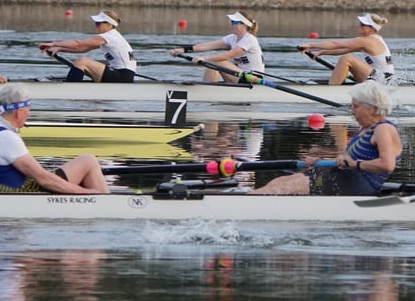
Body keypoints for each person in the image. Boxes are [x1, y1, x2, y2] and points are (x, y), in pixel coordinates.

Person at [253, 81, 401, 196]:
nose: (352, 111)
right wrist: (321, 161)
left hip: (357, 187)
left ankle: (243, 204)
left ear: (374, 108)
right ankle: (248, 199)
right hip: (340, 179)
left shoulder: (383, 129)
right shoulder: (365, 128)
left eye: (356, 106)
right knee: (284, 181)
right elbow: (346, 161)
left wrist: (355, 164)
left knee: (291, 184)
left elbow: (387, 165)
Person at [0, 84, 108, 194]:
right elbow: (44, 180)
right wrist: (87, 193)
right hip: (24, 191)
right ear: (19, 113)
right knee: (89, 161)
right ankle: (104, 201)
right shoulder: (6, 137)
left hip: (4, 186)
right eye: (28, 110)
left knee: (84, 165)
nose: (29, 114)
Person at [38, 11, 137, 82]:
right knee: (84, 64)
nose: (96, 26)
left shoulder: (109, 36)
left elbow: (78, 43)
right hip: (120, 73)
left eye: (98, 23)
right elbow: (82, 48)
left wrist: (53, 43)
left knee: (81, 62)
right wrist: (60, 49)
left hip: (123, 76)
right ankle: (74, 86)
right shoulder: (112, 36)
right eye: (96, 23)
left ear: (109, 24)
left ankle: (70, 90)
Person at [169, 11, 264, 83]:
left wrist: (204, 58)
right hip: (239, 75)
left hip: (253, 78)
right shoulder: (232, 38)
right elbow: (206, 46)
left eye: (234, 22)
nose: (231, 24)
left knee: (217, 61)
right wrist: (182, 50)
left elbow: (228, 56)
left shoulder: (249, 39)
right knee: (212, 65)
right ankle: (206, 88)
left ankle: (208, 91)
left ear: (243, 25)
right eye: (231, 21)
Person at [300, 13, 394, 86]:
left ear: (372, 28)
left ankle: (331, 90)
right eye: (360, 23)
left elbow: (336, 44)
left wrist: (310, 44)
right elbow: (343, 49)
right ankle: (335, 84)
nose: (359, 25)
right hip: (382, 78)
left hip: (382, 81)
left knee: (346, 59)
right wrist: (320, 52)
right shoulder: (375, 39)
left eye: (362, 24)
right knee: (346, 56)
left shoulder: (368, 41)